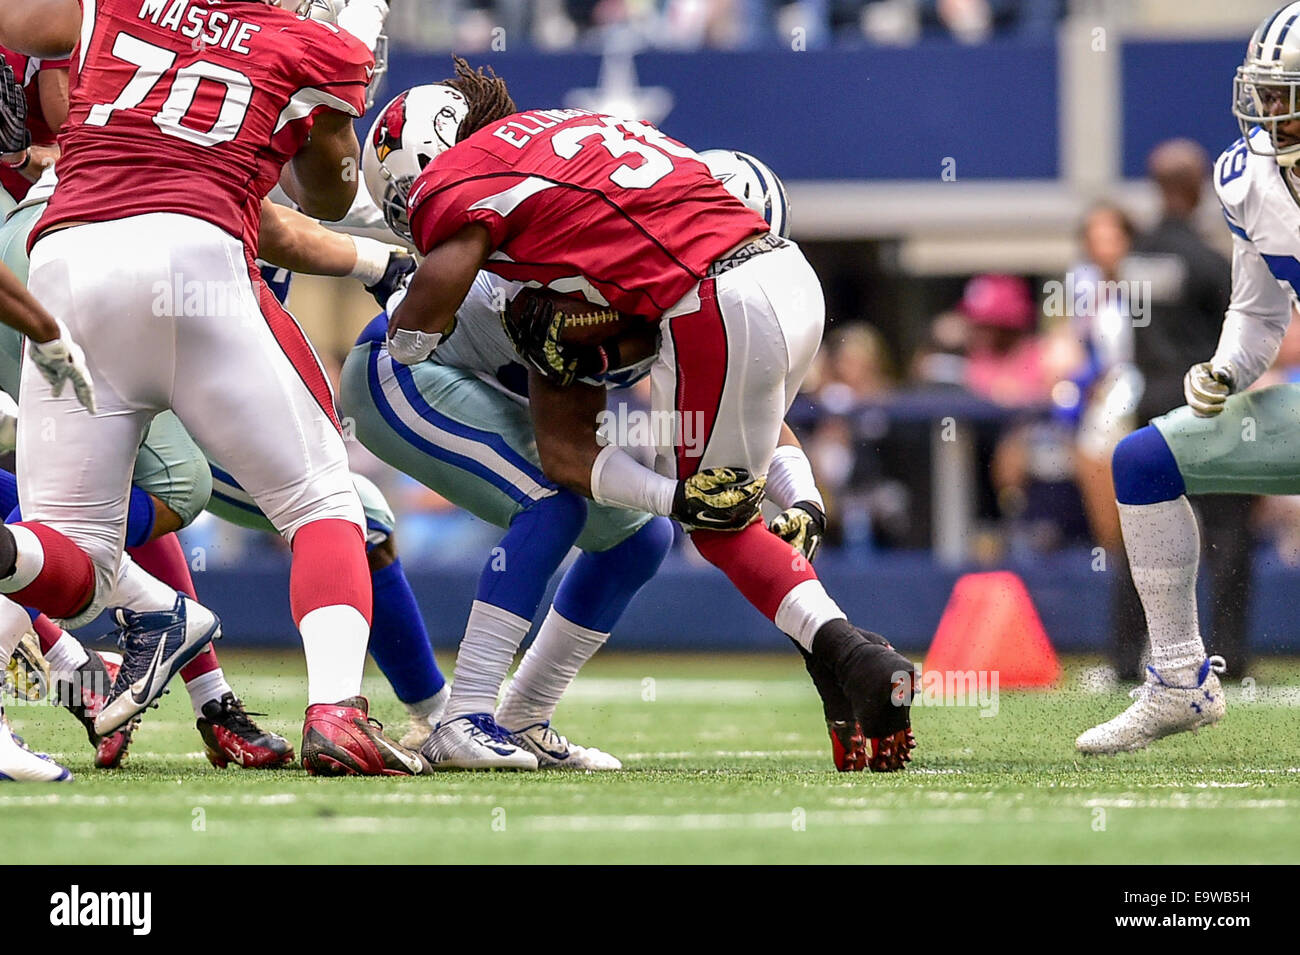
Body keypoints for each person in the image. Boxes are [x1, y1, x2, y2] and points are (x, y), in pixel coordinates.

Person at [370, 60, 917, 772]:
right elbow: (574, 446)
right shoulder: (581, 150)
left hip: (715, 303)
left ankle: (849, 656)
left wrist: (409, 333)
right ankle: (843, 662)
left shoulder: (475, 186)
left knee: (715, 526)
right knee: (708, 511)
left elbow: (445, 302)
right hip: (787, 282)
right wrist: (794, 497)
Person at [0, 0, 424, 776]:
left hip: (66, 258)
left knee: (80, 565)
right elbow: (327, 193)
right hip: (194, 257)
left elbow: (20, 22)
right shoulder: (303, 37)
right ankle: (334, 711)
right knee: (322, 499)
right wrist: (340, 64)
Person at [1077, 2, 1300, 754]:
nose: (1273, 108)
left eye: (1287, 91)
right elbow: (1258, 309)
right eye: (1268, 91)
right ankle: (1178, 680)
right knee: (1143, 459)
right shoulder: (1251, 178)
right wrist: (1228, 366)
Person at [1107, 140, 1249, 681]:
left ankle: (1126, 656)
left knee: (1144, 530)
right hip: (1203, 405)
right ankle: (1230, 654)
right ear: (1197, 186)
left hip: (1149, 402)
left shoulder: (1134, 257)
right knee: (1228, 528)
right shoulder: (1209, 260)